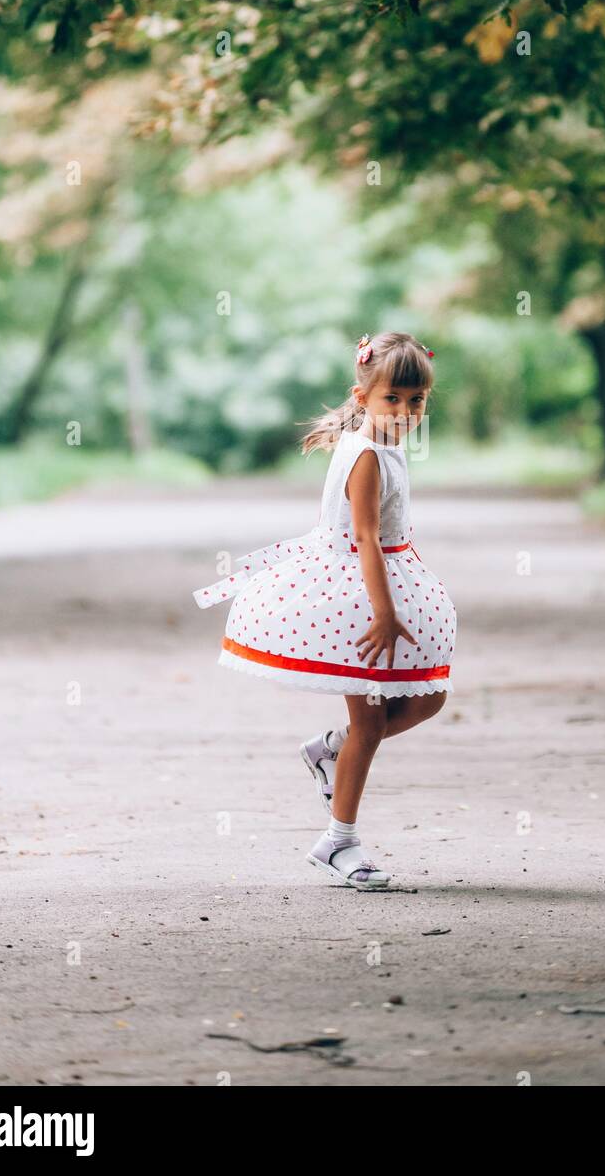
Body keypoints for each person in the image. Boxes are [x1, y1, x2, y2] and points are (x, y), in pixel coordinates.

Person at [192, 330, 457, 889]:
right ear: (363, 398)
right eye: (394, 399)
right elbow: (364, 538)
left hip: (384, 575)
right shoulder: (365, 457)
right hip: (353, 594)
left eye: (417, 401)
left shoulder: (386, 445)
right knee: (370, 719)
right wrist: (384, 613)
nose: (406, 412)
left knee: (429, 699)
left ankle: (328, 749)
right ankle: (340, 842)